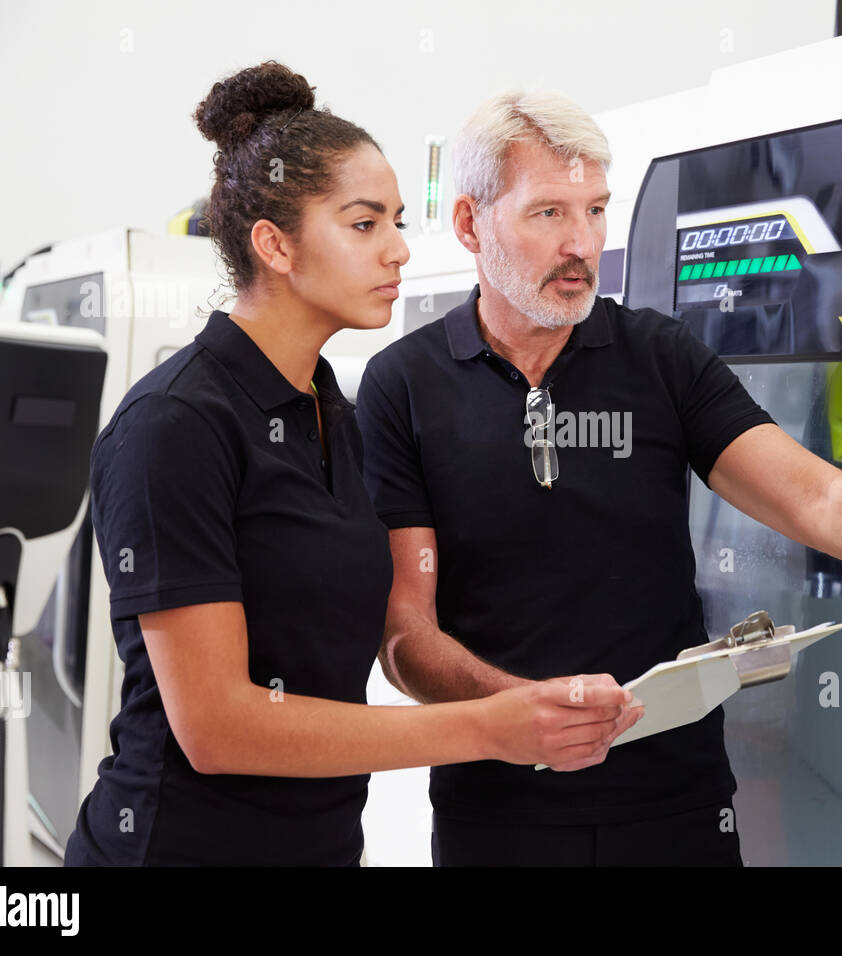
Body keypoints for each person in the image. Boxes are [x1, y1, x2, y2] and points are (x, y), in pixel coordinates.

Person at [355, 90, 842, 866]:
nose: (582, 243)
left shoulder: (660, 357)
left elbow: (822, 500)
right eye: (548, 213)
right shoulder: (403, 386)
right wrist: (515, 711)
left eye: (595, 209)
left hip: (674, 807)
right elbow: (405, 635)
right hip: (501, 811)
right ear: (471, 224)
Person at [63, 64, 636, 867]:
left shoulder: (332, 411)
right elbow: (217, 727)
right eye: (364, 225)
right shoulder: (175, 425)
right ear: (275, 245)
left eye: (398, 221)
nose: (400, 249)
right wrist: (485, 729)